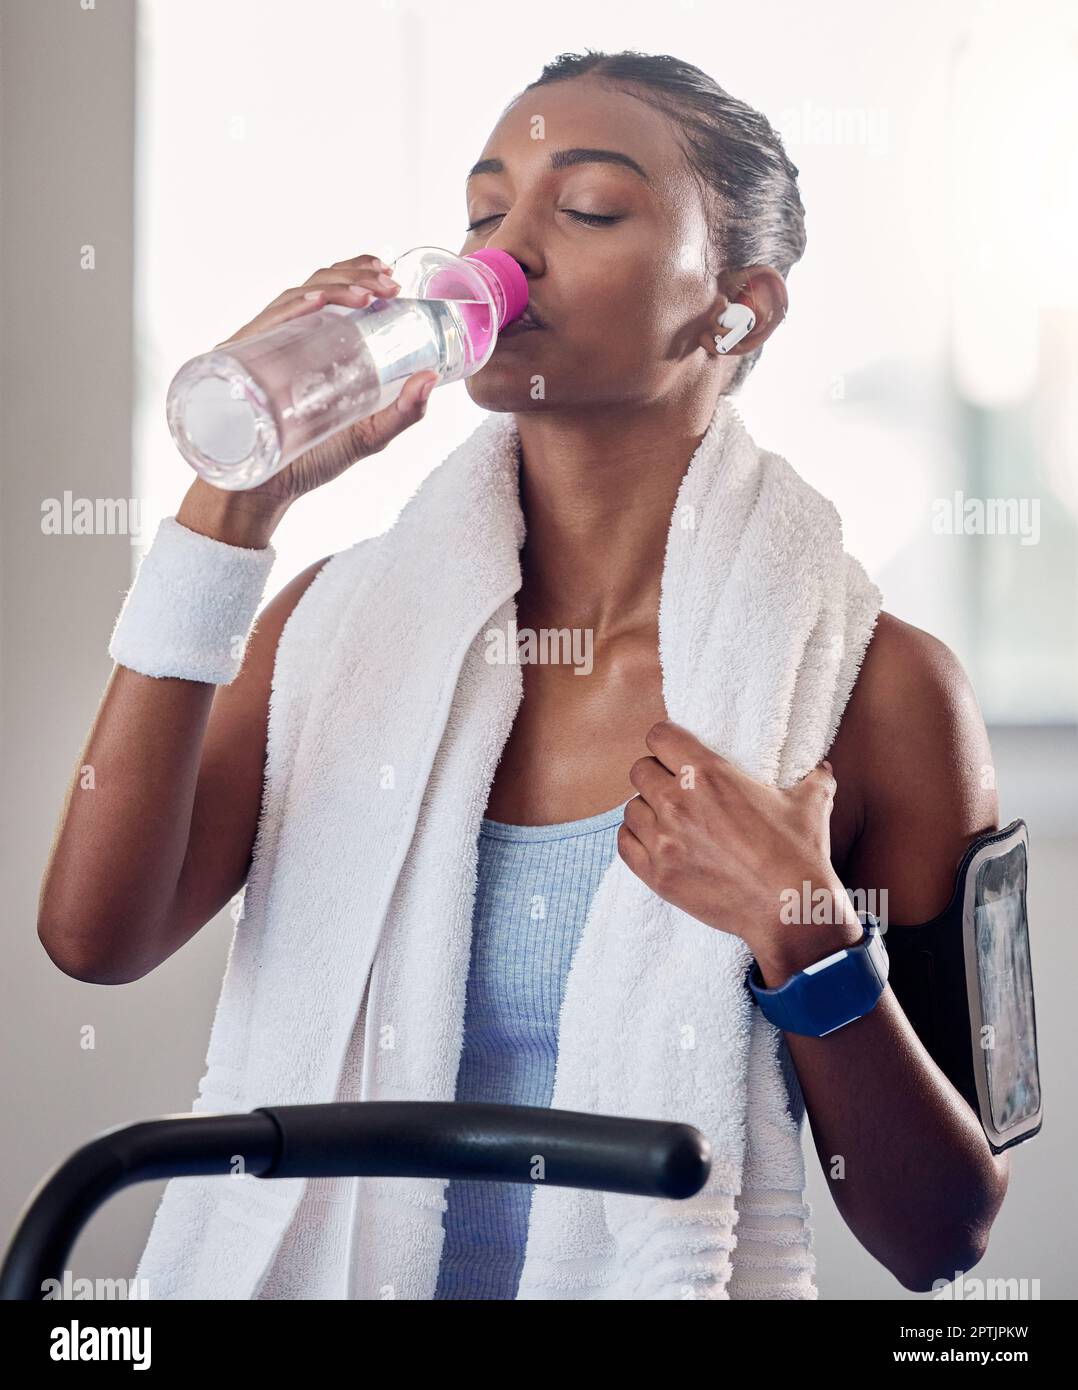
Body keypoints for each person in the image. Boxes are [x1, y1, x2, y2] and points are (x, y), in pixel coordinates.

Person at [38, 49, 1009, 1297]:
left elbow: (942, 1234)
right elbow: (92, 936)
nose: (500, 254)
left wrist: (803, 933)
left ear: (738, 310)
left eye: (589, 208)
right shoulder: (332, 627)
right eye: (483, 213)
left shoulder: (878, 694)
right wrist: (233, 505)